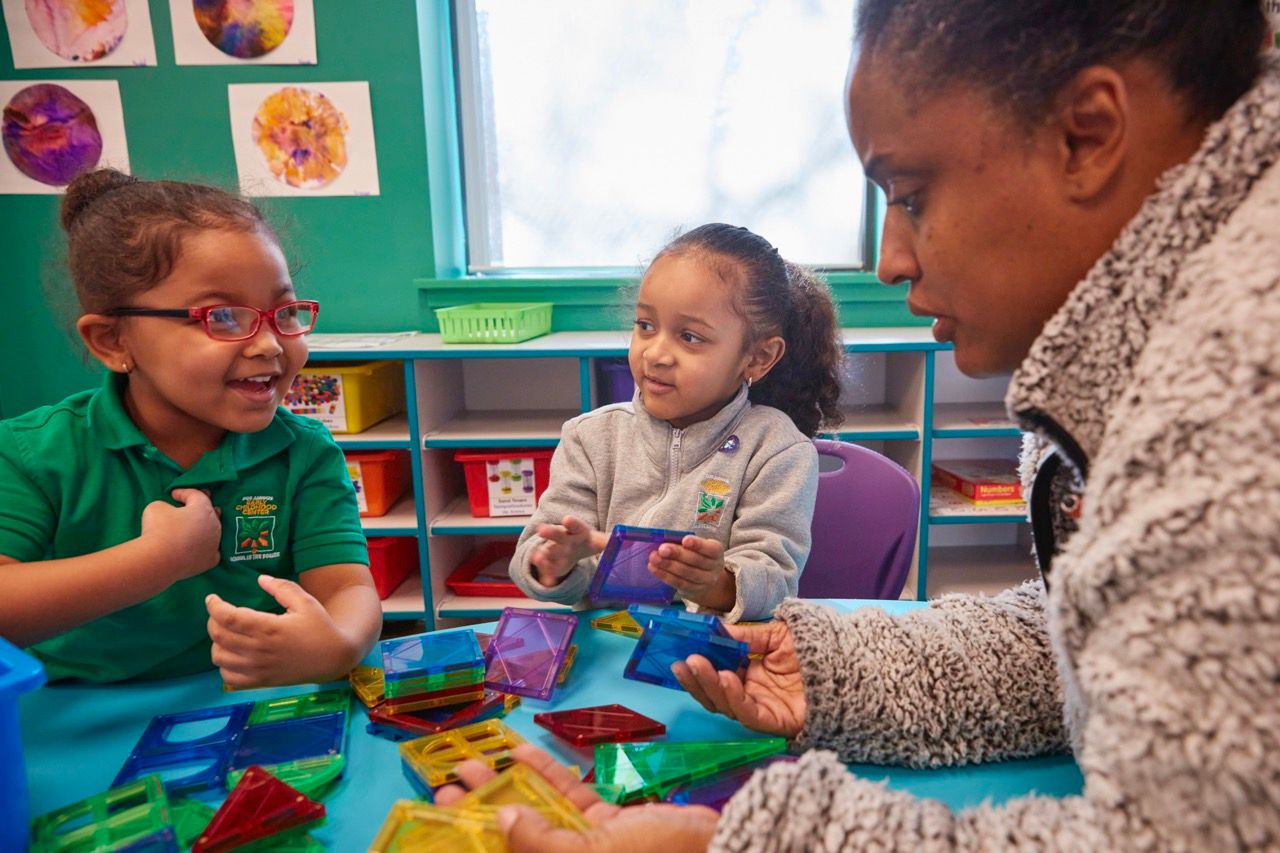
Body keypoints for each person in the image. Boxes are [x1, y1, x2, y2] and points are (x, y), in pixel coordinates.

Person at [450, 1, 1280, 850]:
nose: (890, 260)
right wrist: (841, 671)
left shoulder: (1242, 395)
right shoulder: (1149, 358)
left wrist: (739, 842)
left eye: (912, 195)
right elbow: (1080, 635)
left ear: (1088, 134)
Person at [0, 169, 382, 688]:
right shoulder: (31, 454)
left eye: (283, 313)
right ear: (113, 341)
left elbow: (346, 586)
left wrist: (337, 645)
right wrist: (157, 561)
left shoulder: (304, 451)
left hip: (250, 698)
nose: (269, 344)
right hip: (73, 710)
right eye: (222, 316)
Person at [508, 223, 844, 621]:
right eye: (645, 326)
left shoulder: (776, 451)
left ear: (758, 358)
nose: (656, 354)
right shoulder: (590, 437)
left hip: (709, 654)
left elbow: (775, 582)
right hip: (605, 647)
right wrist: (552, 564)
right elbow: (534, 554)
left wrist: (713, 583)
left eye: (690, 337)